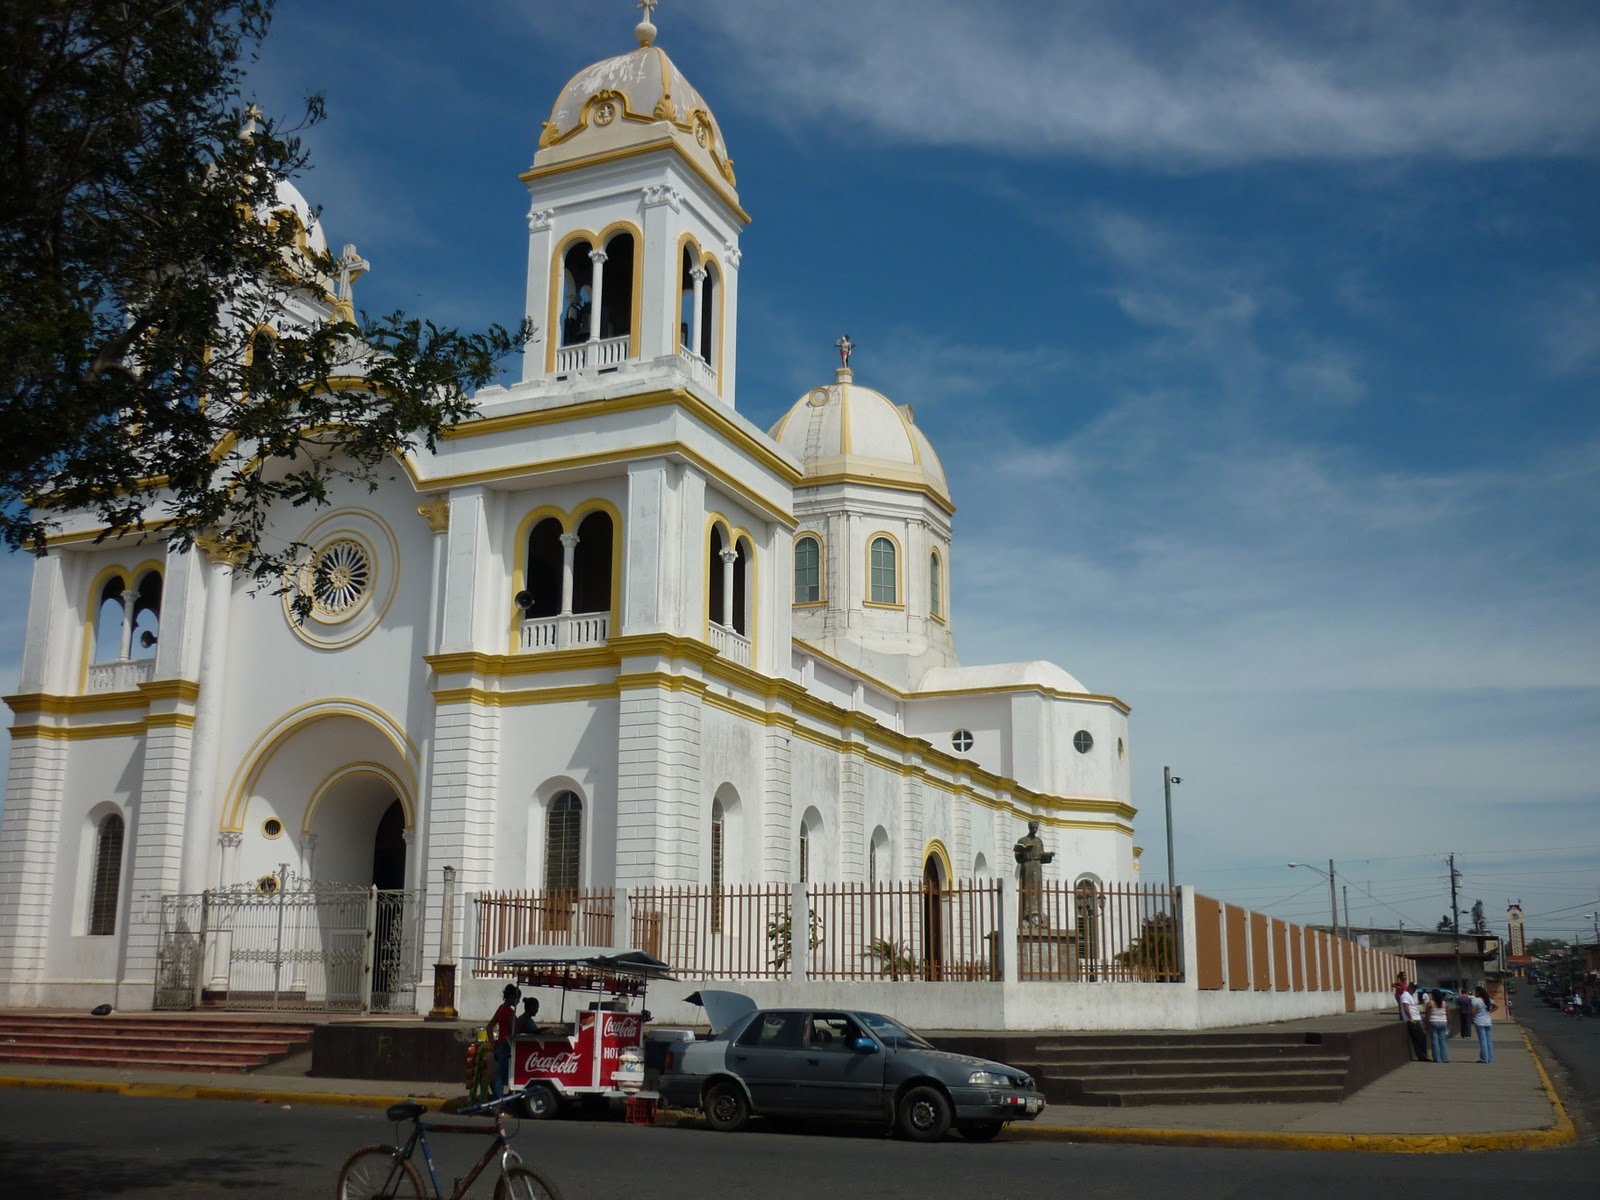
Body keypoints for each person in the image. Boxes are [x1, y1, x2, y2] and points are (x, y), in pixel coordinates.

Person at [1013, 819, 1055, 927]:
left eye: (1036, 828)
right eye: (1033, 828)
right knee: (1028, 891)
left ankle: (1038, 915)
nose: (1035, 830)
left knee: (1037, 891)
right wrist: (1021, 852)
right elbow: (1017, 857)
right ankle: (1027, 916)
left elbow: (1041, 855)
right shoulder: (1022, 840)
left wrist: (1048, 855)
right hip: (1027, 867)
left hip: (1037, 866)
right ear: (1029, 828)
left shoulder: (1039, 841)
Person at [489, 983, 520, 1099]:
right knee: (500, 1076)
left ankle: (500, 1099)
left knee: (500, 1074)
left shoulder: (501, 1009)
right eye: (517, 999)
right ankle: (499, 1101)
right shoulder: (508, 1012)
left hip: (500, 1045)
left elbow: (489, 1027)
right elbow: (514, 1031)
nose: (518, 1002)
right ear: (512, 997)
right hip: (507, 1045)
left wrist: (493, 1043)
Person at [1401, 983, 1428, 1062]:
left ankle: (1423, 1055)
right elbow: (1406, 1007)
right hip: (1413, 1021)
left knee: (1421, 1038)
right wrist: (1411, 1018)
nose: (1414, 990)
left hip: (1416, 1019)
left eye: (1415, 988)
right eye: (1413, 988)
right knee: (1420, 1039)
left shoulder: (1410, 996)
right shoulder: (1405, 995)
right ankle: (1423, 1056)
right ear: (1409, 987)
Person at [1424, 989, 1451, 1063]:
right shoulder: (1445, 1003)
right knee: (1443, 1041)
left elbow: (1427, 1015)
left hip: (1433, 1022)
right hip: (1443, 1022)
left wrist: (1426, 1024)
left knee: (1434, 1041)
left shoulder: (1430, 1003)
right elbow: (1448, 1014)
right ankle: (1445, 1058)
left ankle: (1436, 1059)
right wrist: (1448, 1024)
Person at [1472, 985, 1495, 1063]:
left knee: (1483, 1041)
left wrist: (1473, 1018)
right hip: (1488, 1021)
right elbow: (1496, 1006)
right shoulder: (1488, 999)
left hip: (1479, 1021)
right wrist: (1490, 1012)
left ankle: (1484, 1058)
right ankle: (1490, 1058)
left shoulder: (1476, 1001)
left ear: (1478, 992)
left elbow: (1473, 1012)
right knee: (1489, 1041)